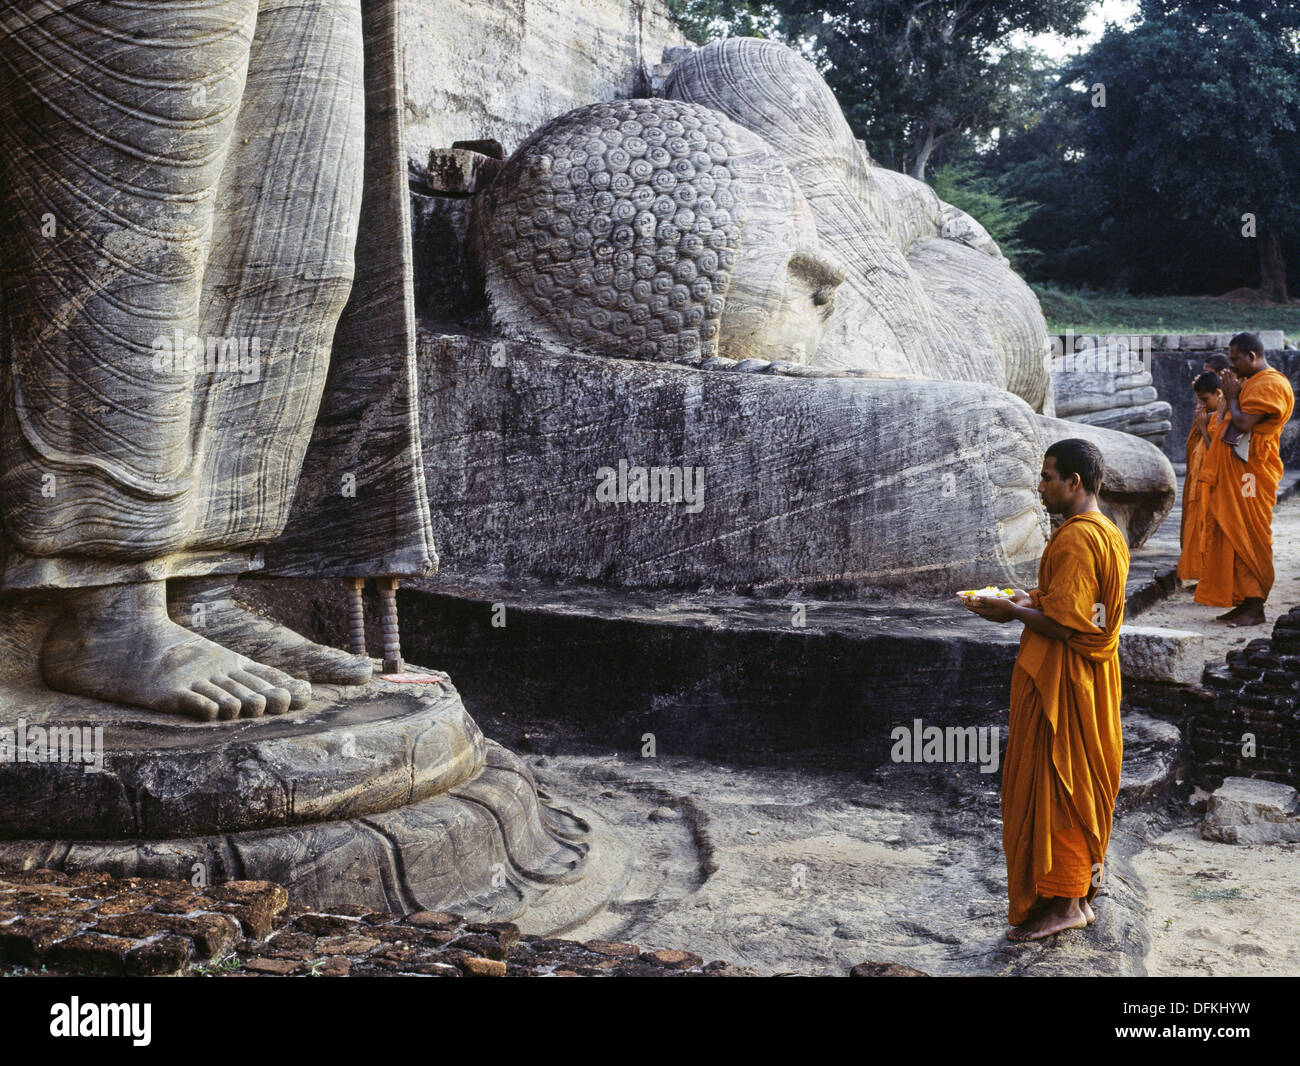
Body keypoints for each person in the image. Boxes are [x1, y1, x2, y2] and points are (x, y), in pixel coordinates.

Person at [963, 438, 1129, 940]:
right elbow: (1073, 604)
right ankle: (1072, 897)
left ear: (1073, 482)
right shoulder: (1107, 531)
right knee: (1072, 785)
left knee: (1061, 784)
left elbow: (1066, 625)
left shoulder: (1078, 538)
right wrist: (1027, 596)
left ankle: (1066, 905)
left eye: (1047, 476)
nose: (1040, 487)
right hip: (1092, 682)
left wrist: (1012, 611)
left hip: (1067, 683)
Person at [1194, 333, 1295, 627]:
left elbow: (1244, 423)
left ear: (1252, 356)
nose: (1232, 365)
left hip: (1251, 473)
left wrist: (1234, 395)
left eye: (1236, 358)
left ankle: (1256, 605)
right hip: (1237, 467)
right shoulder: (1251, 381)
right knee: (1231, 531)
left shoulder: (1272, 384)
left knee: (1249, 532)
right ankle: (1243, 601)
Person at [1177, 372, 1223, 585]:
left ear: (1219, 394)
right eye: (1199, 401)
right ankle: (1202, 576)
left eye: (1205, 400)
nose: (1202, 405)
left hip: (1212, 485)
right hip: (1198, 485)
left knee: (1209, 531)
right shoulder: (1209, 414)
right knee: (1196, 528)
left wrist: (1204, 427)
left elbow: (1217, 451)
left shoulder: (1223, 418)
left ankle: (1211, 577)